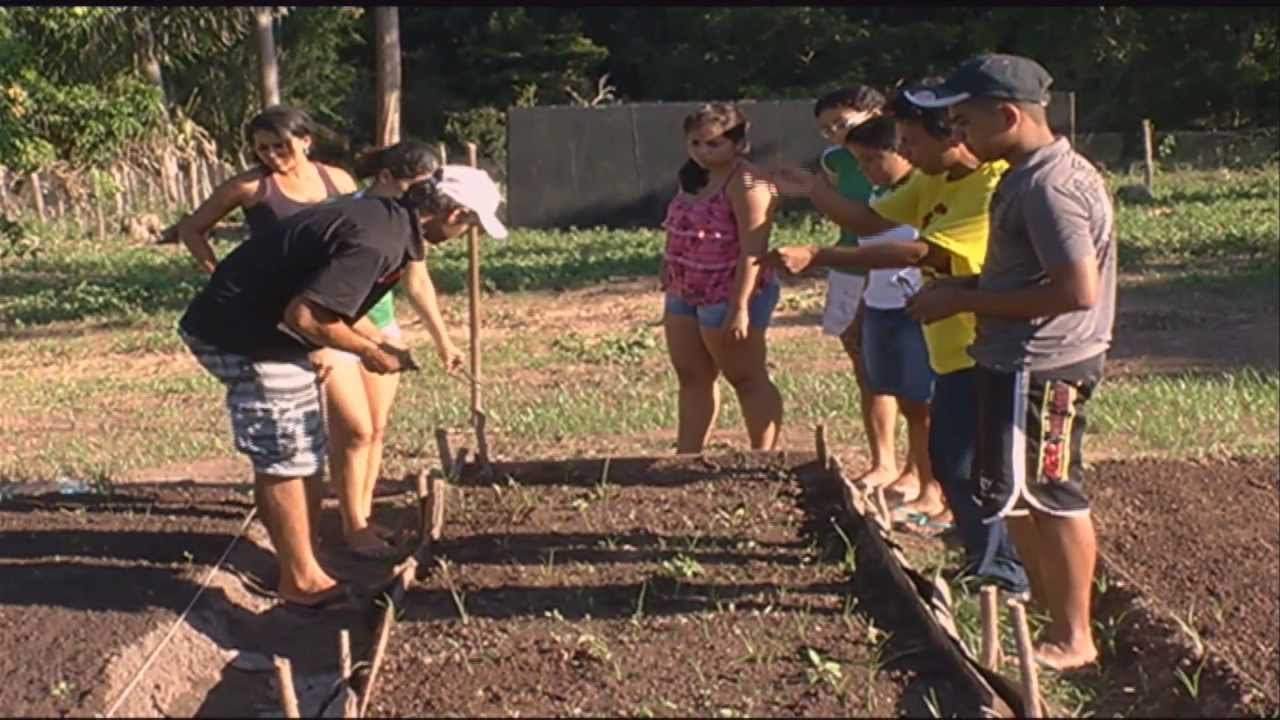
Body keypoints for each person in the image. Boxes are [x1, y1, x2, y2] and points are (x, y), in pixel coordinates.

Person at [176, 165, 507, 609]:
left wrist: (375, 341)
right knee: (285, 454)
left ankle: (306, 559)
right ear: (453, 214)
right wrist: (369, 354)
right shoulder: (377, 240)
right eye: (472, 224)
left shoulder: (387, 222)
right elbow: (308, 317)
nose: (472, 234)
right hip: (244, 334)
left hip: (271, 331)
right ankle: (300, 580)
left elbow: (334, 301)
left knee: (303, 450)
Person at [763, 84, 1028, 593]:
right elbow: (870, 221)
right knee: (953, 460)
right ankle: (985, 561)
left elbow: (924, 254)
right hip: (951, 349)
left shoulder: (988, 185)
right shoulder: (934, 181)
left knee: (987, 468)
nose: (904, 152)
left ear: (949, 134)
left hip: (990, 349)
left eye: (909, 141)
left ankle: (1006, 572)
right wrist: (813, 189)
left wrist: (821, 257)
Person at [904, 54, 1116, 670]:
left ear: (1007, 114)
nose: (958, 134)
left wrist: (964, 299)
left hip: (1045, 365)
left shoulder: (1050, 187)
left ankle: (1075, 636)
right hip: (1014, 359)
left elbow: (1078, 289)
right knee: (1018, 494)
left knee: (1053, 492)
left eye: (965, 120)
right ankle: (1050, 618)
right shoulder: (1026, 176)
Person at [327, 142, 474, 559]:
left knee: (375, 429)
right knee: (353, 431)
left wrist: (443, 340)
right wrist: (372, 338)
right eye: (418, 185)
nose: (427, 195)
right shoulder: (352, 214)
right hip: (337, 327)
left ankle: (364, 516)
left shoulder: (411, 220)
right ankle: (351, 526)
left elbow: (418, 282)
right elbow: (329, 295)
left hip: (383, 326)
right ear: (387, 179)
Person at [661, 102, 784, 453]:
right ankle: (687, 454)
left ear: (739, 144)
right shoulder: (690, 176)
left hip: (729, 290)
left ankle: (763, 457)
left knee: (745, 377)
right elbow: (680, 228)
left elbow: (753, 251)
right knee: (691, 375)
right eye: (695, 144)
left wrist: (740, 307)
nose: (702, 152)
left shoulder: (748, 184)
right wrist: (668, 268)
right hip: (685, 287)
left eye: (713, 144)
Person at [839, 115, 940, 524]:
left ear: (902, 151)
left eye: (871, 160)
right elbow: (873, 263)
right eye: (859, 162)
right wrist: (860, 313)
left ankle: (933, 488)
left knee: (925, 404)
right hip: (881, 308)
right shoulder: (882, 196)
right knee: (906, 402)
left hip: (916, 309)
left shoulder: (924, 195)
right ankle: (912, 475)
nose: (865, 170)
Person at [813, 87, 913, 491]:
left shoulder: (906, 158)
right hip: (851, 267)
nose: (835, 132)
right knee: (866, 364)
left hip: (894, 269)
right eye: (827, 128)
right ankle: (883, 460)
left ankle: (919, 471)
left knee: (912, 374)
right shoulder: (835, 160)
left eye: (843, 122)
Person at [176, 105, 356, 274]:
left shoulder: (339, 180)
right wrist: (218, 274)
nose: (272, 154)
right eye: (263, 148)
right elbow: (191, 229)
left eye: (280, 145)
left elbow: (360, 232)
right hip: (274, 294)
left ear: (305, 141)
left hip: (333, 290)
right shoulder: (249, 186)